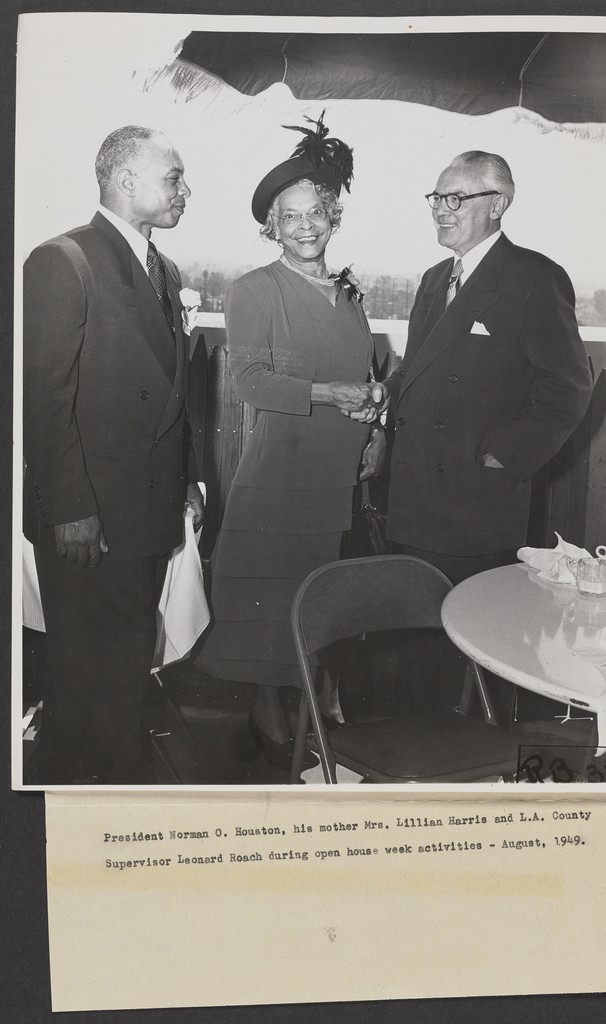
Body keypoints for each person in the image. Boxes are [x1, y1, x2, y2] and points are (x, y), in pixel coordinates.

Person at [195, 114, 386, 771]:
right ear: (271, 226)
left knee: (322, 609)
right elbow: (250, 381)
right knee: (275, 613)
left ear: (334, 219)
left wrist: (373, 413)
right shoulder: (255, 290)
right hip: (281, 482)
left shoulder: (351, 294)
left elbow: (362, 377)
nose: (305, 227)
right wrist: (331, 394)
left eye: (317, 214)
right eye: (291, 217)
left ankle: (319, 716)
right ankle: (276, 729)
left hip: (342, 482)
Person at [23, 125, 205, 784]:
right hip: (88, 521)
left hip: (146, 515)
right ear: (126, 182)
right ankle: (69, 806)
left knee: (123, 674)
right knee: (84, 685)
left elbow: (174, 396)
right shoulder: (62, 260)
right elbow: (44, 402)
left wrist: (187, 479)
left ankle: (114, 785)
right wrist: (70, 509)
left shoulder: (165, 270)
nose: (185, 191)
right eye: (173, 177)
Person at [383, 150, 593, 712]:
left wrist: (504, 456)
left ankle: (475, 766)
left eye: (456, 199)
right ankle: (420, 762)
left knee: (479, 650)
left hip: (476, 501)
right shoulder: (433, 280)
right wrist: (384, 395)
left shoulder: (534, 277)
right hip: (416, 497)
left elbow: (568, 387)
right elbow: (420, 368)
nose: (441, 211)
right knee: (421, 645)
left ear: (497, 204)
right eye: (437, 198)